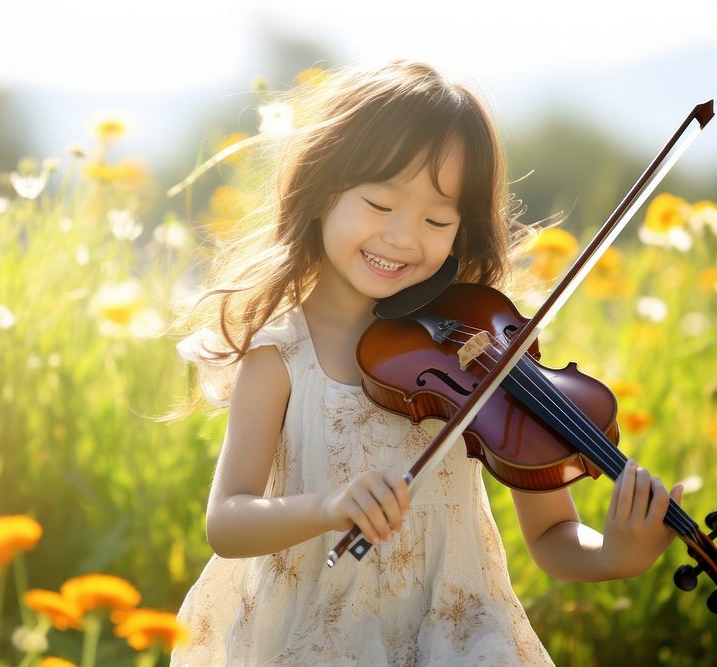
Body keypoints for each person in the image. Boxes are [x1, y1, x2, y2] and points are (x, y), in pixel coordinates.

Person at [169, 60, 683, 666]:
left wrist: (615, 554)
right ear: (321, 190)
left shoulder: (482, 357)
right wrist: (328, 507)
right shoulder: (281, 356)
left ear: (461, 231)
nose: (403, 237)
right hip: (319, 642)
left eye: (437, 219)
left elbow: (552, 535)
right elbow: (228, 521)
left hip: (457, 636)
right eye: (379, 204)